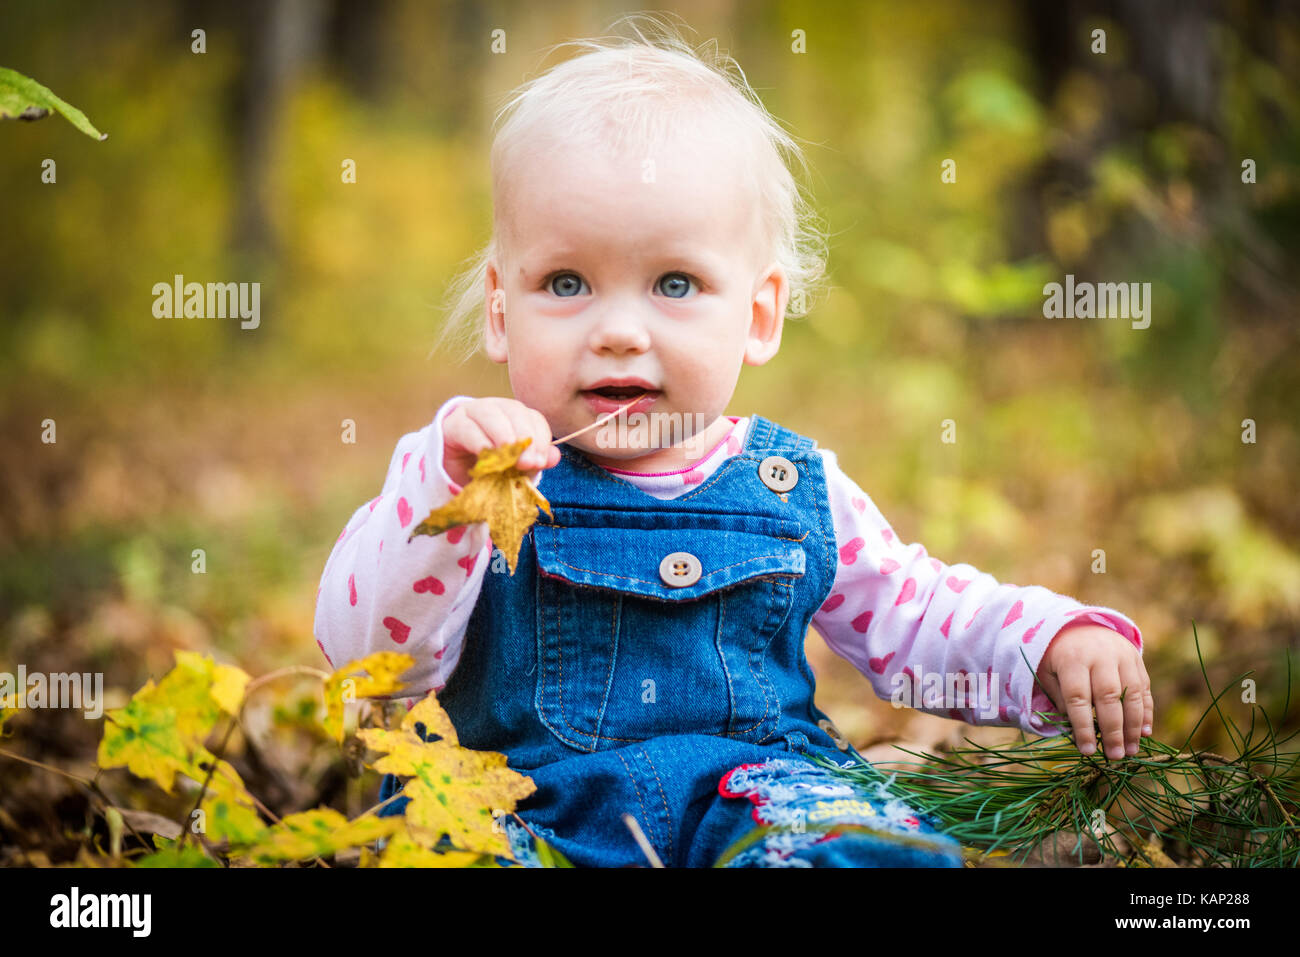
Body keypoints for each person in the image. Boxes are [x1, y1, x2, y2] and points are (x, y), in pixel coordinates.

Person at [313, 14, 1151, 868]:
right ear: (501, 309)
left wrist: (1045, 639)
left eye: (675, 283)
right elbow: (364, 656)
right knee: (438, 851)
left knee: (855, 844)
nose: (618, 330)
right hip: (517, 804)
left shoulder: (790, 485)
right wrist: (441, 500)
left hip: (757, 794)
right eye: (566, 282)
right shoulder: (471, 475)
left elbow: (919, 614)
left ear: (758, 314)